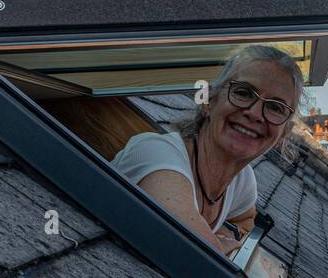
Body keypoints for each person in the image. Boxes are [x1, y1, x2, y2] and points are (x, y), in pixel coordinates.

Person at [112, 44, 303, 257]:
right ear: (209, 101)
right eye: (243, 93)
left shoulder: (242, 181)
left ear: (284, 132)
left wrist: (222, 236)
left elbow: (247, 221)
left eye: (276, 108)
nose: (255, 113)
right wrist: (219, 246)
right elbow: (201, 254)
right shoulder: (155, 153)